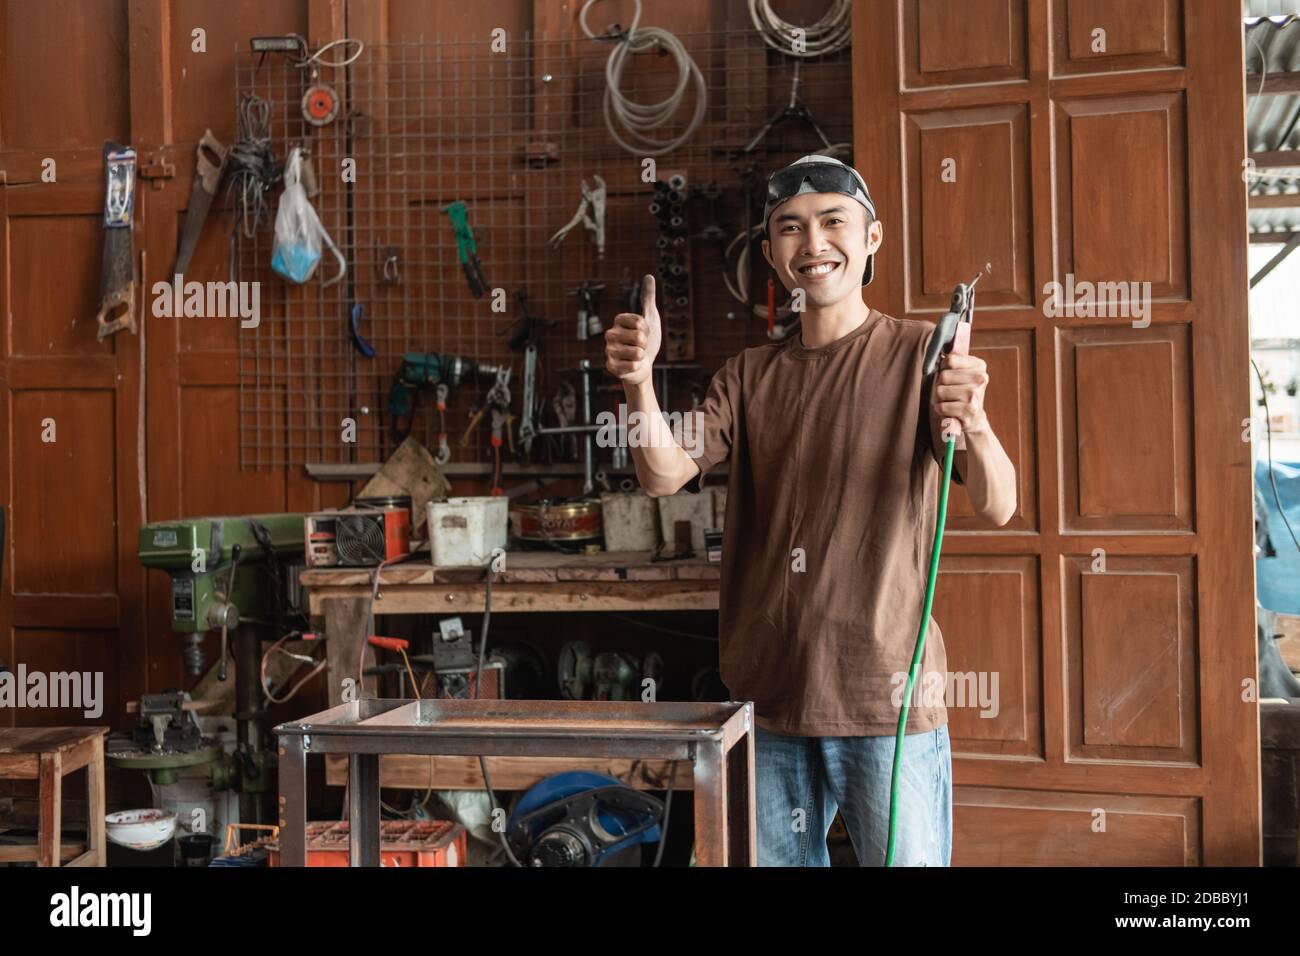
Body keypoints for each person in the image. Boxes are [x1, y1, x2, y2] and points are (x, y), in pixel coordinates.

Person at [604, 155, 1016, 866]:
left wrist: (974, 421)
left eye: (833, 222)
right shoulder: (749, 375)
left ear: (872, 239)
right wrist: (639, 384)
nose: (813, 243)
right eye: (790, 228)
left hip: (883, 697)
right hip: (771, 696)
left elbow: (999, 503)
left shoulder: (923, 354)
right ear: (771, 254)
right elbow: (664, 473)